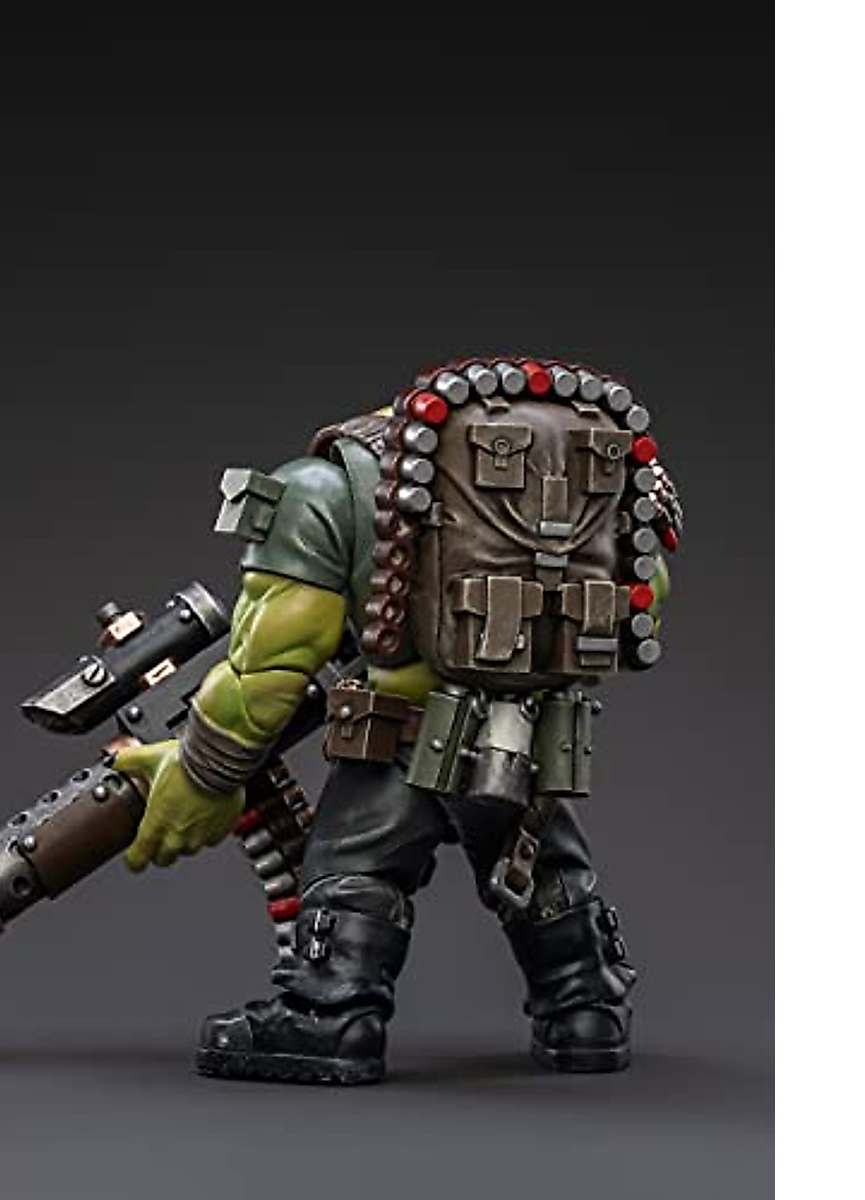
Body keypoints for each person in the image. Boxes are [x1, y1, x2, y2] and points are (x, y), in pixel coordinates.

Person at [116, 357, 681, 1085]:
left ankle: (329, 1015)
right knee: (543, 862)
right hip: (534, 735)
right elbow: (643, 598)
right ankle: (587, 1011)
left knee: (356, 866)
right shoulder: (587, 476)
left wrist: (201, 771)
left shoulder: (324, 487)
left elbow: (268, 671)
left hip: (401, 735)